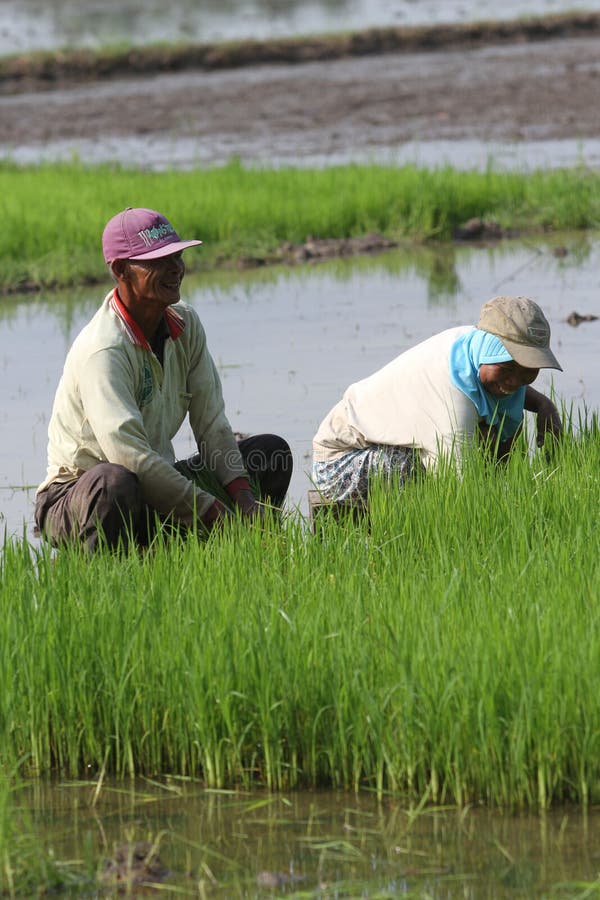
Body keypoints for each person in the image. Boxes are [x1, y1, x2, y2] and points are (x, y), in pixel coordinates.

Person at [35, 207, 292, 551]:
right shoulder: (105, 350)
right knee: (115, 484)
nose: (175, 269)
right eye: (158, 261)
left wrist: (243, 500)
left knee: (270, 453)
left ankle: (203, 549)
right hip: (83, 493)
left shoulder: (186, 326)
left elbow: (213, 426)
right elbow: (131, 458)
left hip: (151, 482)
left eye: (178, 255)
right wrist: (211, 511)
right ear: (121, 270)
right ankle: (99, 568)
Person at [312, 295, 563, 503]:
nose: (514, 383)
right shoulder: (450, 401)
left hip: (381, 445)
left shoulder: (471, 345)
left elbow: (508, 384)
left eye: (528, 371)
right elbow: (461, 490)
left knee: (502, 427)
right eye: (508, 369)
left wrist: (543, 405)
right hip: (339, 463)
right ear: (488, 352)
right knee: (411, 466)